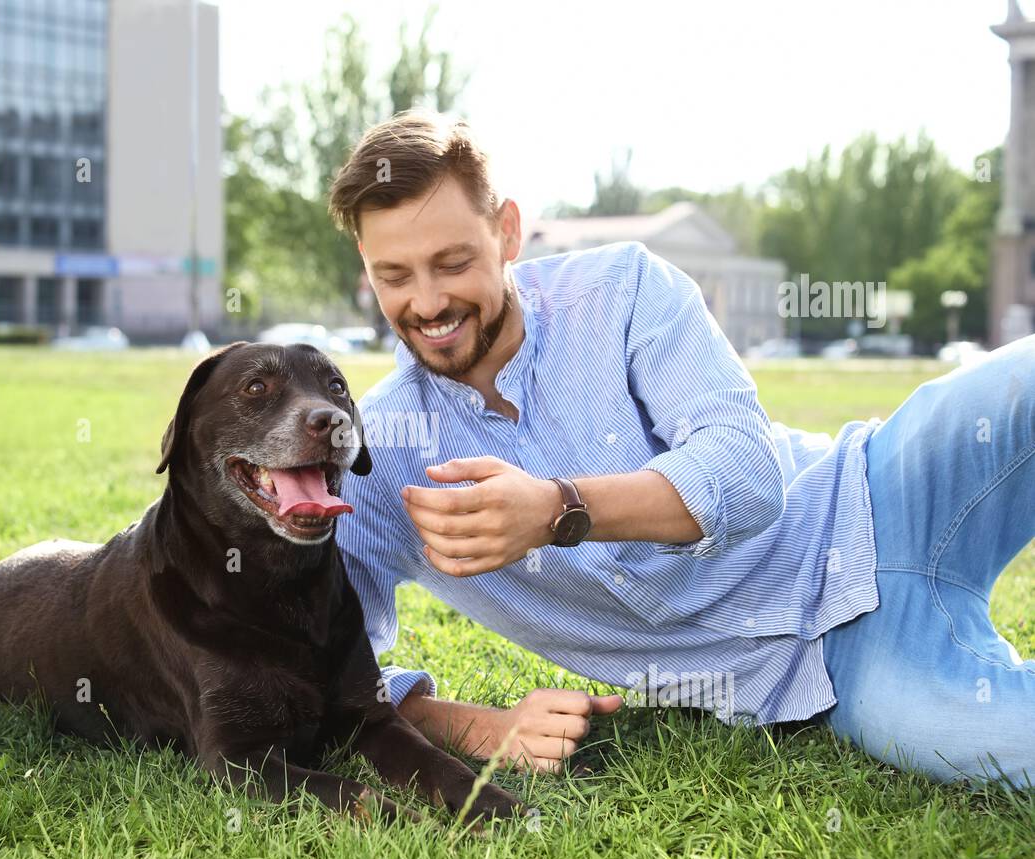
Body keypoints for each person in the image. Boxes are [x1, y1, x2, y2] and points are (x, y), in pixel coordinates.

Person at [328, 109, 1035, 788]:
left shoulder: (622, 292)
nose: (426, 303)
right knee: (1011, 747)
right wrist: (482, 727)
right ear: (366, 263)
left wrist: (556, 508)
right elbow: (324, 667)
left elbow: (748, 473)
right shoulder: (379, 455)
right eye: (394, 276)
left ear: (508, 231)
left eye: (453, 263)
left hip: (884, 490)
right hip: (839, 664)